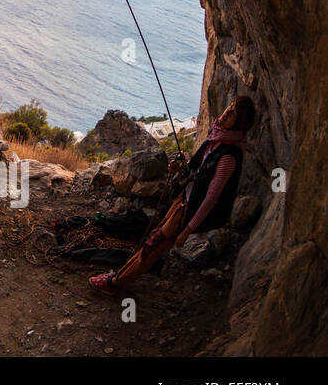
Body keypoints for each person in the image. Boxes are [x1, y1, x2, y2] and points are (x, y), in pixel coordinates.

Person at [90, 95, 256, 293]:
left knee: (154, 244)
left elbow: (212, 198)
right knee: (154, 240)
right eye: (229, 108)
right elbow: (200, 172)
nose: (226, 113)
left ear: (239, 123)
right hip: (185, 200)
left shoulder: (229, 156)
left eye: (232, 113)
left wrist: (187, 229)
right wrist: (181, 169)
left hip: (190, 209)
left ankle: (116, 282)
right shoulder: (217, 139)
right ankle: (119, 276)